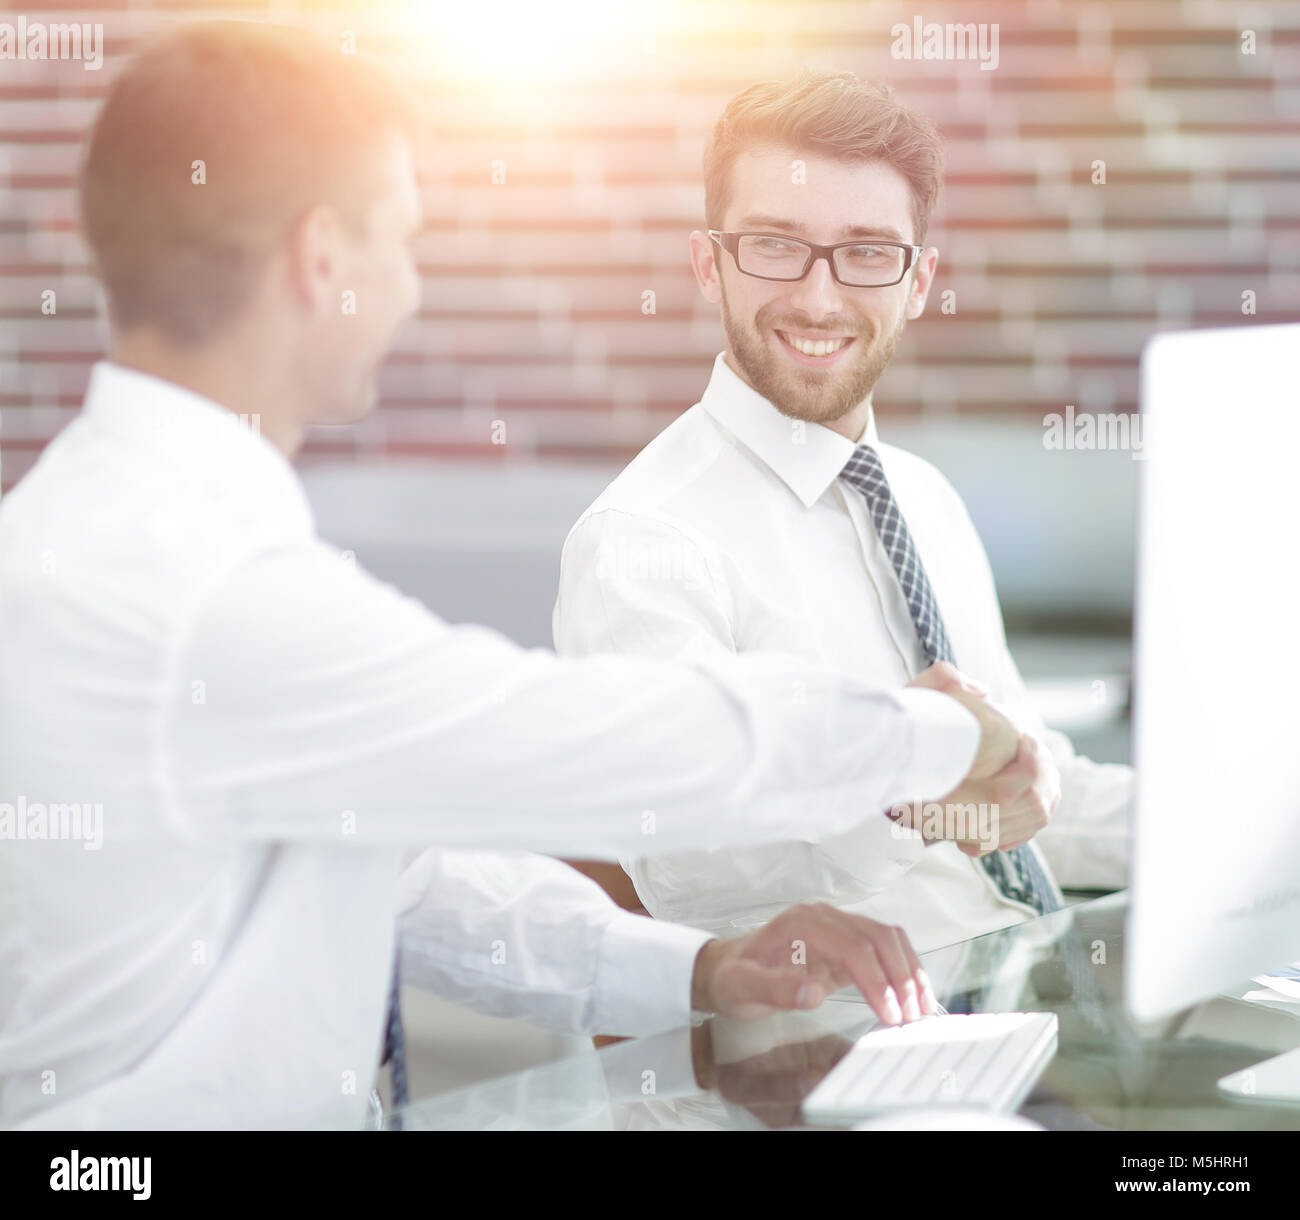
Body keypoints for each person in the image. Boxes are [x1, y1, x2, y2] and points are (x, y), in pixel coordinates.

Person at [0, 25, 1021, 1130]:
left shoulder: (93, 525)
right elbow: (622, 741)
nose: (408, 284)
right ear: (322, 261)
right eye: (404, 238)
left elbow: (406, 873)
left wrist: (697, 971)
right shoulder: (207, 588)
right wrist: (945, 735)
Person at [555, 71, 1132, 951]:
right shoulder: (641, 544)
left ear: (918, 280)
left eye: (866, 252)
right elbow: (691, 865)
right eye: (775, 246)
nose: (819, 299)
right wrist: (908, 784)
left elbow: (1030, 782)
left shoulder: (925, 498)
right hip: (829, 1055)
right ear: (709, 264)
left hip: (1030, 994)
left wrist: (1254, 831)